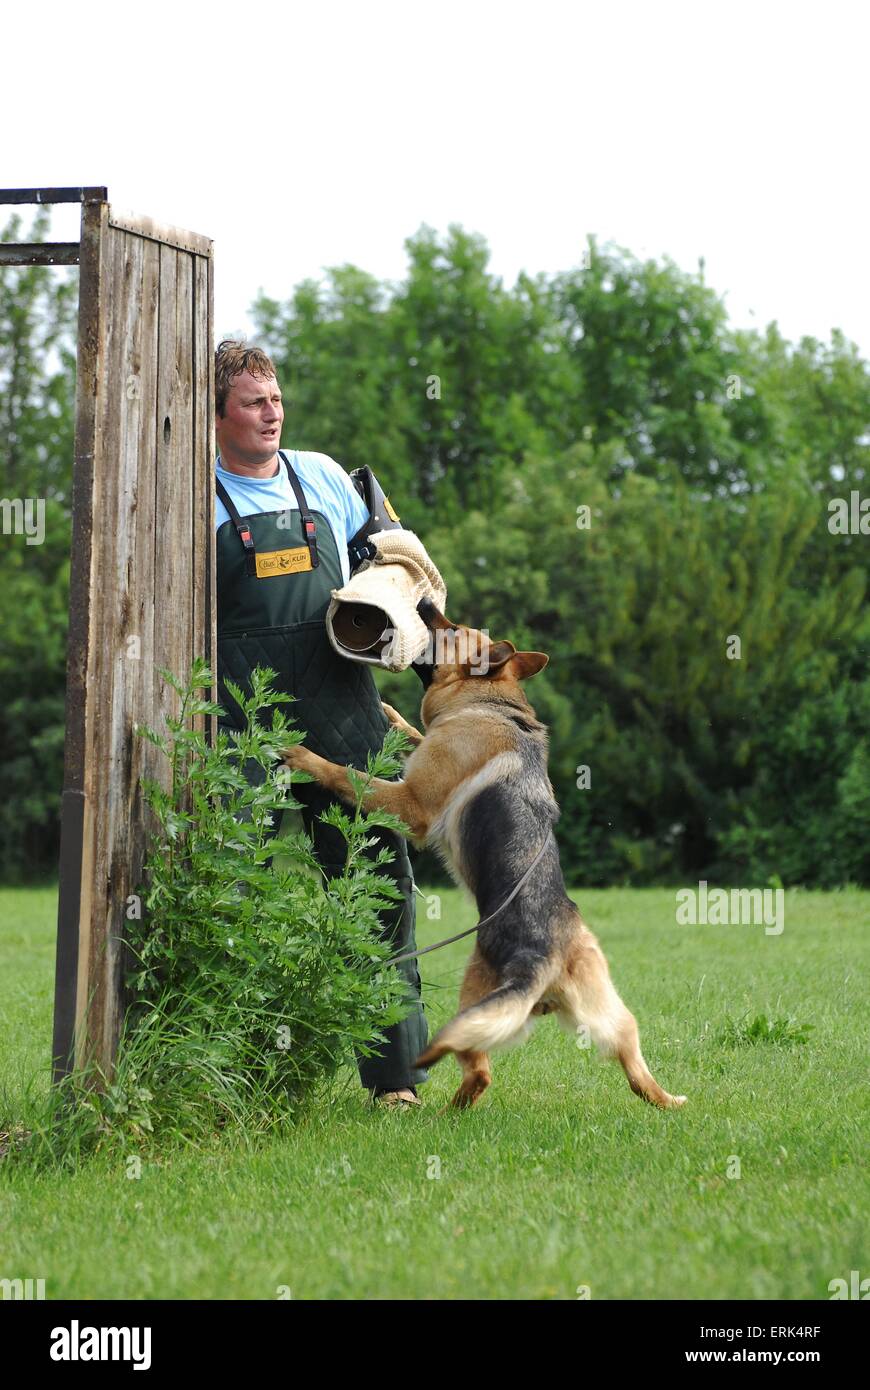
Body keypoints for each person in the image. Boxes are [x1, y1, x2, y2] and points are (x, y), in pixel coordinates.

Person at [213, 339, 428, 1108]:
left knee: (376, 887)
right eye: (252, 402)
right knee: (228, 888)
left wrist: (422, 641)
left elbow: (400, 562)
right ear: (217, 414)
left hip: (346, 712)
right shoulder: (191, 495)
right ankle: (228, 1075)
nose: (271, 413)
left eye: (275, 399)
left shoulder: (328, 477)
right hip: (244, 721)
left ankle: (395, 1080)